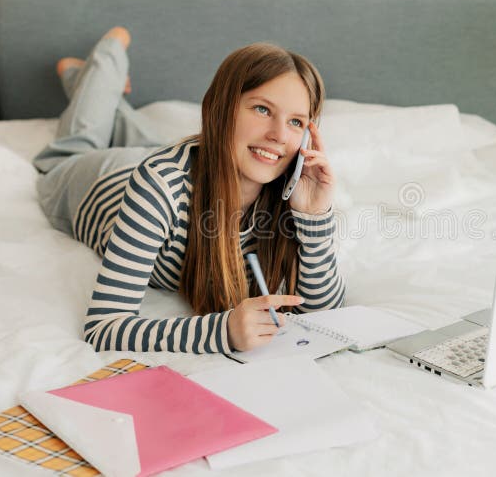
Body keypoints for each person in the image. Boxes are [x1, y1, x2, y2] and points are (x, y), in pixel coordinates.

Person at [32, 26, 345, 355]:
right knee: (76, 144)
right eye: (263, 109)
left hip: (185, 158)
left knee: (145, 139)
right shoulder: (158, 186)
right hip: (100, 181)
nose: (279, 135)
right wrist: (223, 331)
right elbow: (103, 328)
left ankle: (96, 88)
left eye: (296, 122)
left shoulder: (284, 190)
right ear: (220, 109)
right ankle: (105, 57)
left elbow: (323, 311)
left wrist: (313, 218)